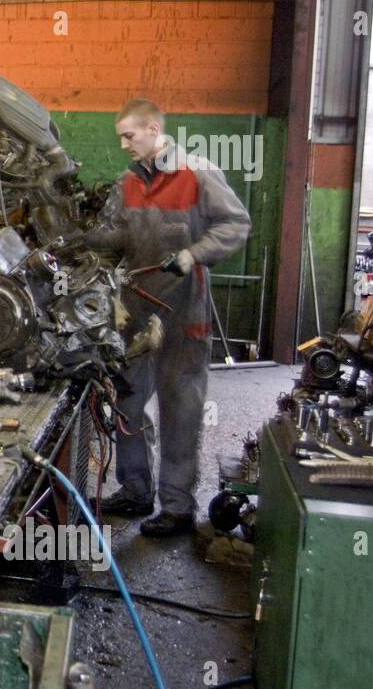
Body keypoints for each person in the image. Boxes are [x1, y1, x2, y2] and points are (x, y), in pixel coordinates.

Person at [88, 99, 251, 536]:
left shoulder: (197, 173)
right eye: (121, 136)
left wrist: (193, 254)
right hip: (134, 314)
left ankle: (177, 507)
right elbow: (114, 238)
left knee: (180, 410)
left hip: (183, 313)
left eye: (129, 136)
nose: (123, 145)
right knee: (127, 403)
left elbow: (236, 224)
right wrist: (83, 236)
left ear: (154, 128)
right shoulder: (127, 183)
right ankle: (136, 490)